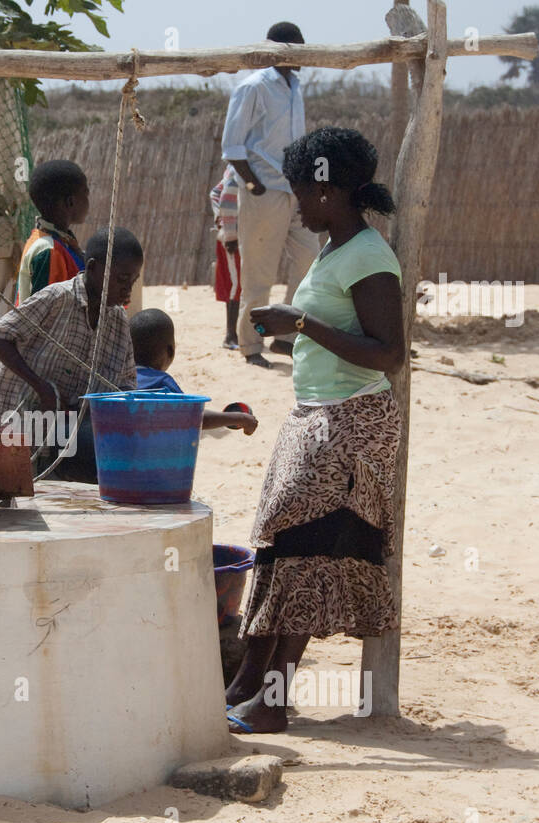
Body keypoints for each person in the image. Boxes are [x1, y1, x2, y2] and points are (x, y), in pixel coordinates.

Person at [224, 127, 406, 733]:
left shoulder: (369, 256)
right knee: (281, 539)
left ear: (329, 190)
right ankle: (249, 684)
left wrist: (299, 322)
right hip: (317, 413)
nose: (296, 204)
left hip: (352, 420)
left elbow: (389, 354)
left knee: (307, 543)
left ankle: (270, 703)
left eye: (302, 191)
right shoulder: (335, 249)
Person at [0, 226, 141, 483]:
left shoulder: (118, 320)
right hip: (25, 427)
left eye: (132, 282)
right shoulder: (57, 298)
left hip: (70, 435)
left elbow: (125, 383)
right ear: (93, 269)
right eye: (122, 280)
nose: (128, 291)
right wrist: (41, 387)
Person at [221, 21, 320, 368]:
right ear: (282, 49)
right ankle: (251, 346)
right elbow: (232, 146)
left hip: (295, 191)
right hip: (263, 192)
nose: (304, 58)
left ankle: (286, 336)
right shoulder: (253, 87)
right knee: (259, 275)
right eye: (299, 50)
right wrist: (254, 186)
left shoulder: (295, 87)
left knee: (311, 260)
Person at [130, 308, 258, 434]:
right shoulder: (161, 382)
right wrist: (241, 418)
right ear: (170, 351)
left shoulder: (118, 378)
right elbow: (192, 417)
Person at [14, 159, 90, 304]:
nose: (88, 200)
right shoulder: (49, 250)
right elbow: (46, 312)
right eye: (85, 193)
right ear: (70, 202)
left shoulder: (62, 242)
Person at [209, 165, 244, 349]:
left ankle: (236, 333)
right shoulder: (237, 168)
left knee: (238, 284)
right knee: (236, 285)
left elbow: (215, 193)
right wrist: (227, 227)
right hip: (233, 236)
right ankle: (230, 335)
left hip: (235, 234)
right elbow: (220, 194)